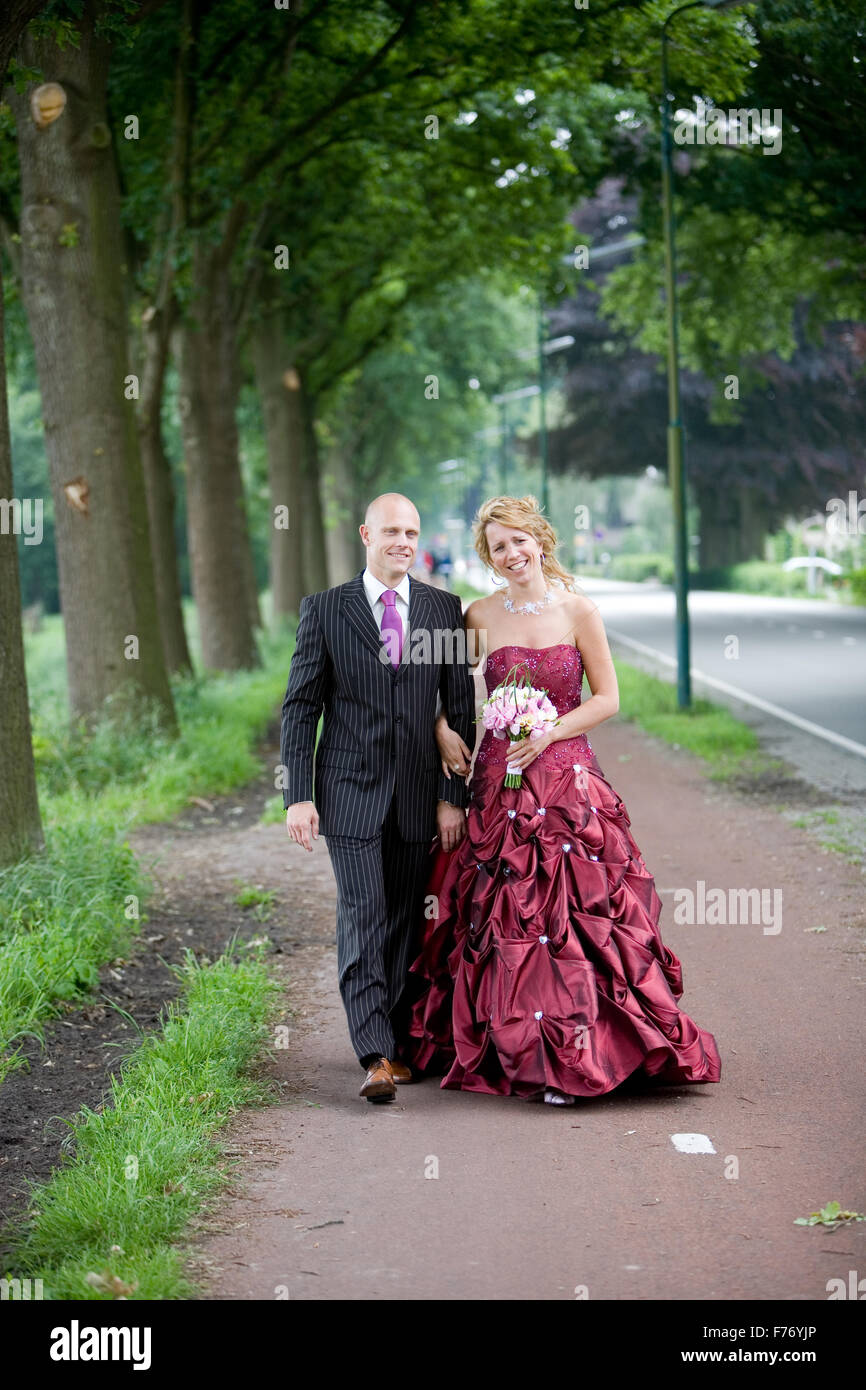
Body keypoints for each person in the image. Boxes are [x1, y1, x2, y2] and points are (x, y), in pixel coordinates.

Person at [406, 494, 721, 1104]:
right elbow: (446, 689)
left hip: (568, 778)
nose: (512, 552)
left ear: (540, 541)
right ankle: (527, 1049)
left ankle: (592, 1047)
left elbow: (607, 698)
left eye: (519, 540)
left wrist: (551, 731)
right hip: (500, 781)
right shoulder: (477, 616)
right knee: (508, 916)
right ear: (489, 559)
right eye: (499, 547)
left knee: (576, 912)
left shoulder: (579, 610)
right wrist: (444, 727)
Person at [280, 493, 475, 1103]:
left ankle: (394, 1037)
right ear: (367, 534)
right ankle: (374, 1053)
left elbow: (460, 710)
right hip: (349, 791)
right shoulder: (326, 610)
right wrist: (298, 794)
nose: (403, 542)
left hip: (420, 795)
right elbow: (300, 706)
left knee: (404, 921)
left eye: (412, 532)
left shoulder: (445, 610)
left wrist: (452, 798)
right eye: (392, 530)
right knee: (363, 912)